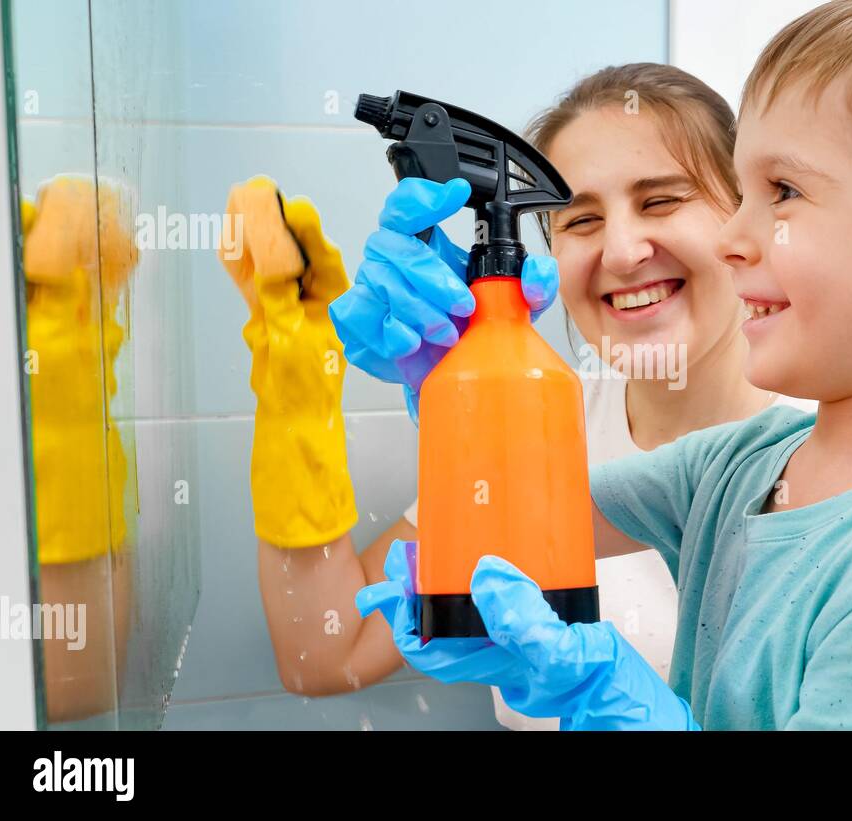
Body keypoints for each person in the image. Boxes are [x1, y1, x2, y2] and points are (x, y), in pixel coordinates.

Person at [348, 0, 852, 729]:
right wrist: (463, 380)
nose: (730, 239)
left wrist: (615, 703)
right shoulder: (738, 468)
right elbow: (524, 526)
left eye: (782, 191)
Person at [224, 65, 813, 725]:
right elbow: (325, 652)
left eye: (661, 200)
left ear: (742, 220)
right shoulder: (531, 418)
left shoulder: (831, 449)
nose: (621, 251)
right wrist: (297, 392)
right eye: (580, 219)